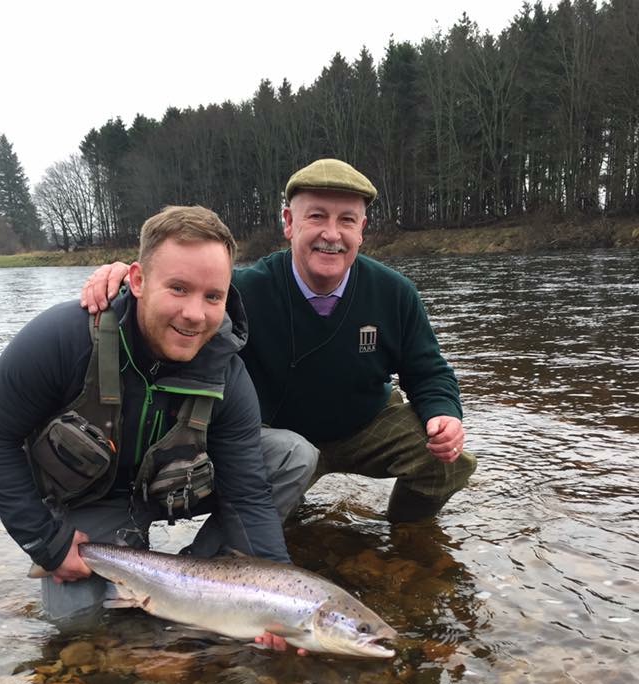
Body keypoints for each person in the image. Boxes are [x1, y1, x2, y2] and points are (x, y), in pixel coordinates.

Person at [82, 159, 477, 528]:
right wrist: (124, 282)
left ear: (362, 229)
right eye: (317, 216)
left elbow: (429, 372)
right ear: (289, 222)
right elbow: (182, 296)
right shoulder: (242, 291)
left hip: (366, 425)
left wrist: (445, 415)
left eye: (346, 220)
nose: (331, 234)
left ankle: (405, 536)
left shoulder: (396, 294)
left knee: (447, 462)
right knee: (274, 530)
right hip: (280, 440)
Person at [0, 205, 295, 626]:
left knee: (291, 455)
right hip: (93, 502)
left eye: (212, 296)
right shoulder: (62, 339)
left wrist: (277, 597)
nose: (195, 313)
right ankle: (158, 590)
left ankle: (195, 582)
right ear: (137, 280)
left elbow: (247, 495)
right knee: (79, 624)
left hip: (172, 489)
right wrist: (46, 542)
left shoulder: (227, 373)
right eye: (178, 288)